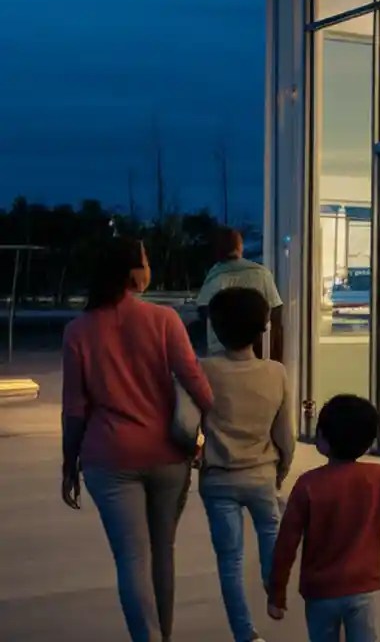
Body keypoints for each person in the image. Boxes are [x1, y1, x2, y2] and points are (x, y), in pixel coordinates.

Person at [61, 236, 214, 642]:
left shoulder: (77, 331)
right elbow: (196, 382)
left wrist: (68, 464)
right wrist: (212, 432)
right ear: (133, 273)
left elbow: (74, 409)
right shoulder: (164, 320)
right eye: (146, 261)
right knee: (163, 552)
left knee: (132, 559)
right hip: (168, 455)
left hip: (108, 459)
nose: (149, 268)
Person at [269, 395, 380, 642]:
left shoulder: (307, 484)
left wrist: (277, 594)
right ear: (369, 441)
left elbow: (286, 544)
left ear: (323, 439)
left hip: (319, 591)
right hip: (362, 588)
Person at [200, 287, 295, 642]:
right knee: (271, 533)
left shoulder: (205, 370)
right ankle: (275, 594)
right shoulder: (276, 372)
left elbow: (182, 424)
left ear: (216, 327)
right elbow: (285, 434)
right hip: (261, 474)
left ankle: (246, 634)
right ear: (264, 327)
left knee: (230, 561)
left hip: (218, 479)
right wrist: (281, 470)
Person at [197, 227, 285, 362]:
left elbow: (203, 311)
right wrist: (275, 353)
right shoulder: (262, 274)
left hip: (222, 352)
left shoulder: (214, 279)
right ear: (240, 247)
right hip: (259, 350)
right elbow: (276, 312)